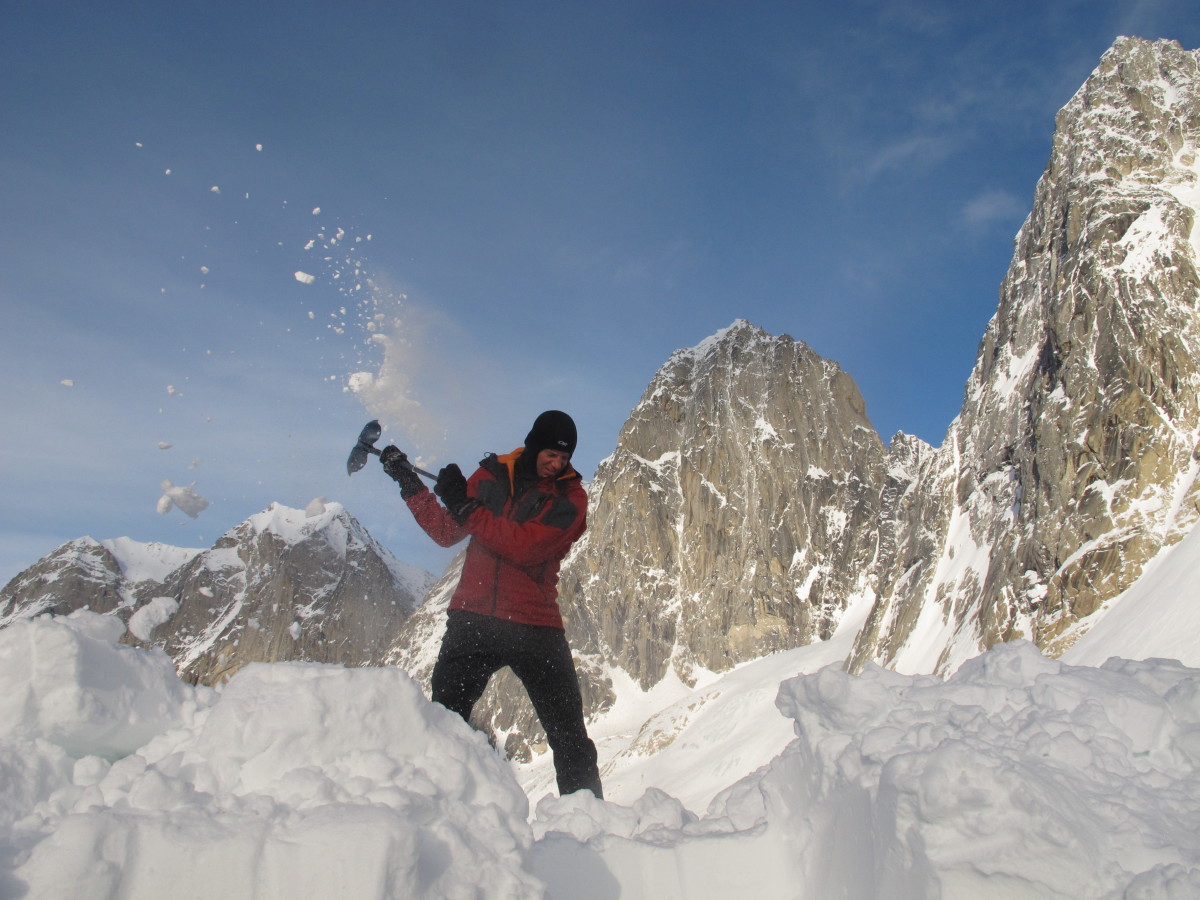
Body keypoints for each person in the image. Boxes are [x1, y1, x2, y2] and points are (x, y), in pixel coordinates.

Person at [380, 410, 603, 799]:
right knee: (443, 725)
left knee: (569, 737)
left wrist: (469, 509)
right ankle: (434, 811)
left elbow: (527, 547)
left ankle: (590, 824)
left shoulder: (571, 497)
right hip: (473, 620)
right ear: (535, 445)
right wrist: (409, 483)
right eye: (552, 454)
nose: (558, 463)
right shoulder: (493, 475)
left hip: (535, 625)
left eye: (565, 458)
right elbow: (447, 532)